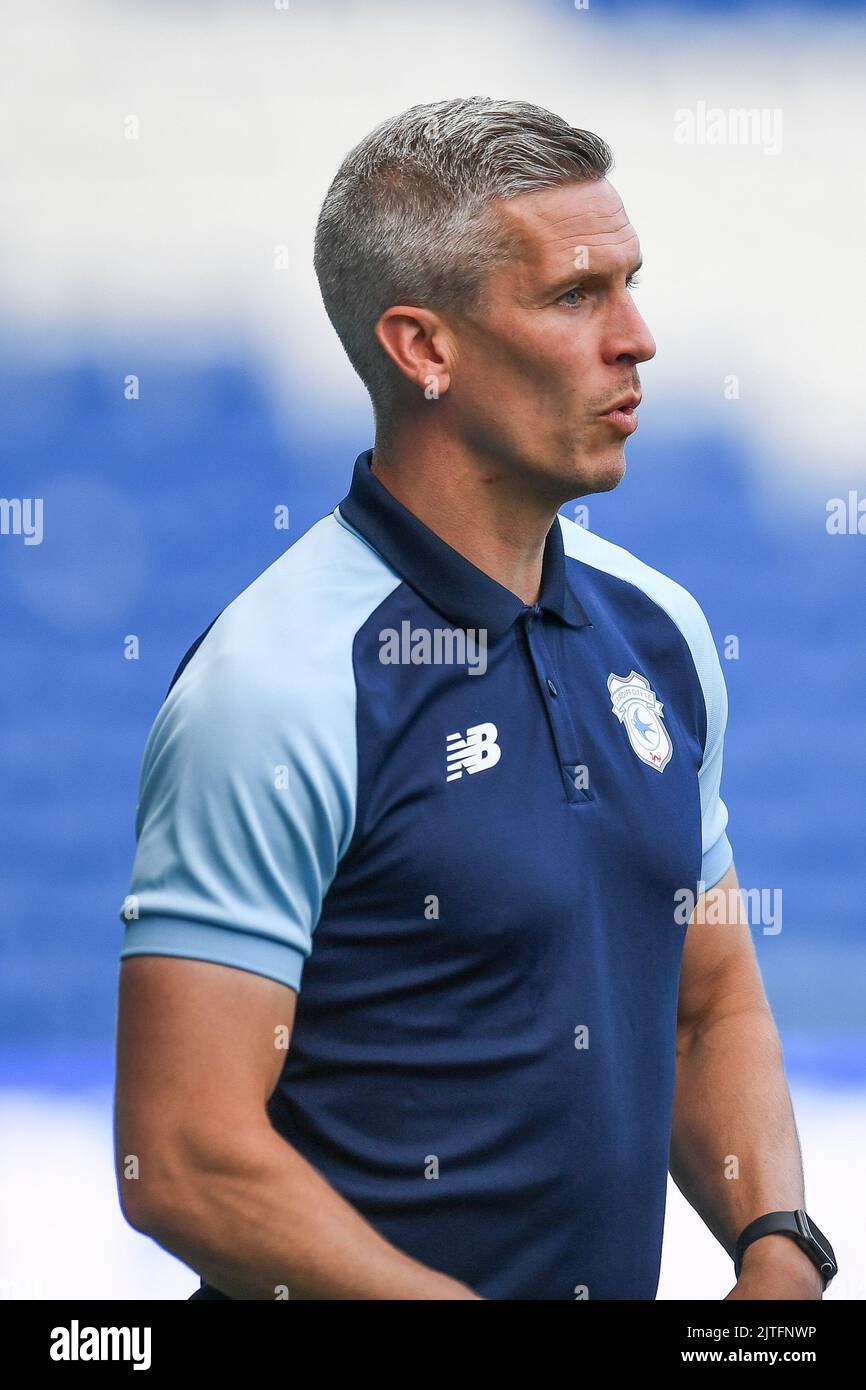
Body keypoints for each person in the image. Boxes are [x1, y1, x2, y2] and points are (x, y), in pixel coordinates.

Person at [114, 97, 834, 1300]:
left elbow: (701, 1009)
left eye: (629, 283)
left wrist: (776, 1243)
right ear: (423, 349)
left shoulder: (657, 630)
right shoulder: (275, 683)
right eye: (574, 296)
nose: (638, 337)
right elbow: (183, 1160)